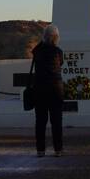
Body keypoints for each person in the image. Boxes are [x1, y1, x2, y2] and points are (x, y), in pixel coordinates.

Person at [31, 24, 64, 156]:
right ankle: (58, 149)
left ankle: (40, 150)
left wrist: (43, 40)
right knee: (56, 121)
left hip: (40, 89)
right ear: (55, 37)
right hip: (55, 89)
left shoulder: (37, 51)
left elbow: (36, 50)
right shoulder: (58, 52)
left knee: (40, 121)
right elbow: (60, 63)